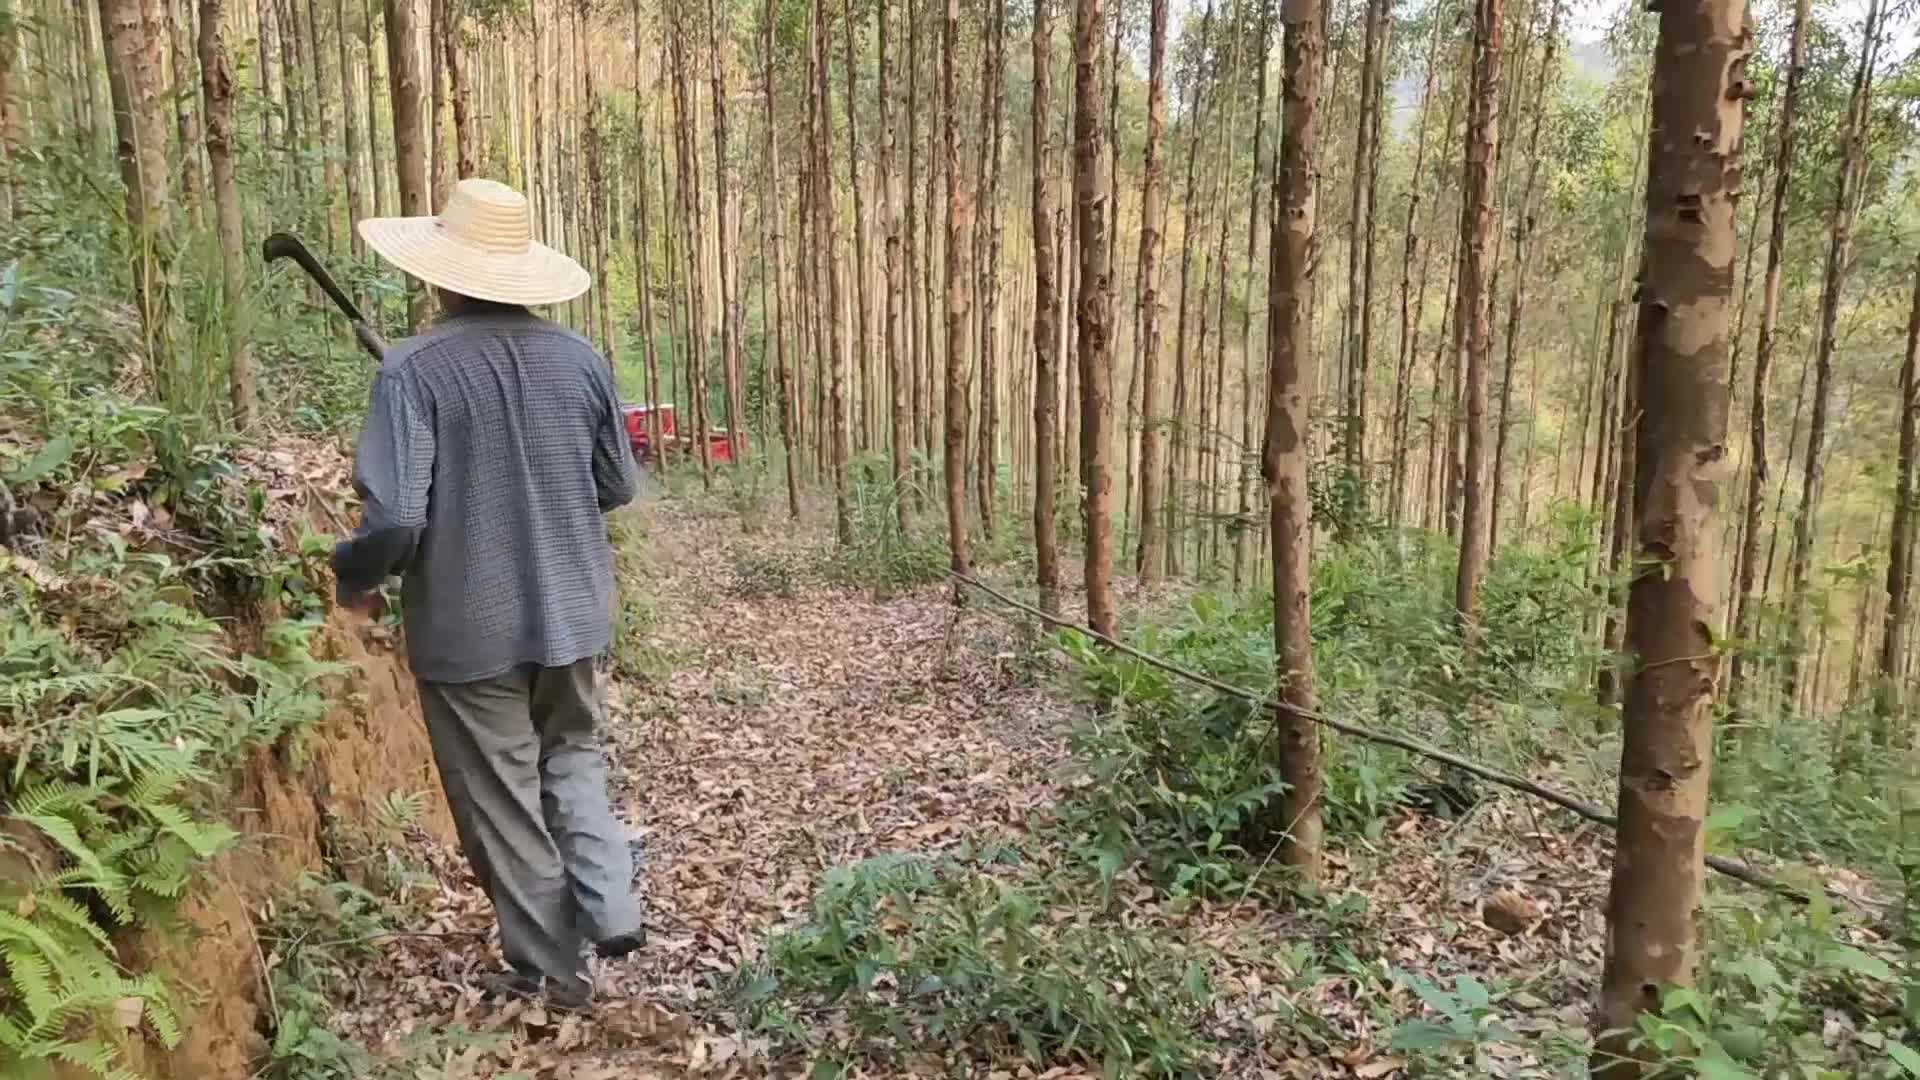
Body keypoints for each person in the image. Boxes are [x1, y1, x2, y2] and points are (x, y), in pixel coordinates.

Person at [335, 177, 644, 1011]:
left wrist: (355, 572)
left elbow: (397, 515)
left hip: (468, 629)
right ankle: (611, 902)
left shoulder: (413, 370)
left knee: (504, 799)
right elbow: (616, 484)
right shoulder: (582, 361)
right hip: (575, 610)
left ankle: (554, 971)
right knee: (574, 756)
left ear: (441, 272)